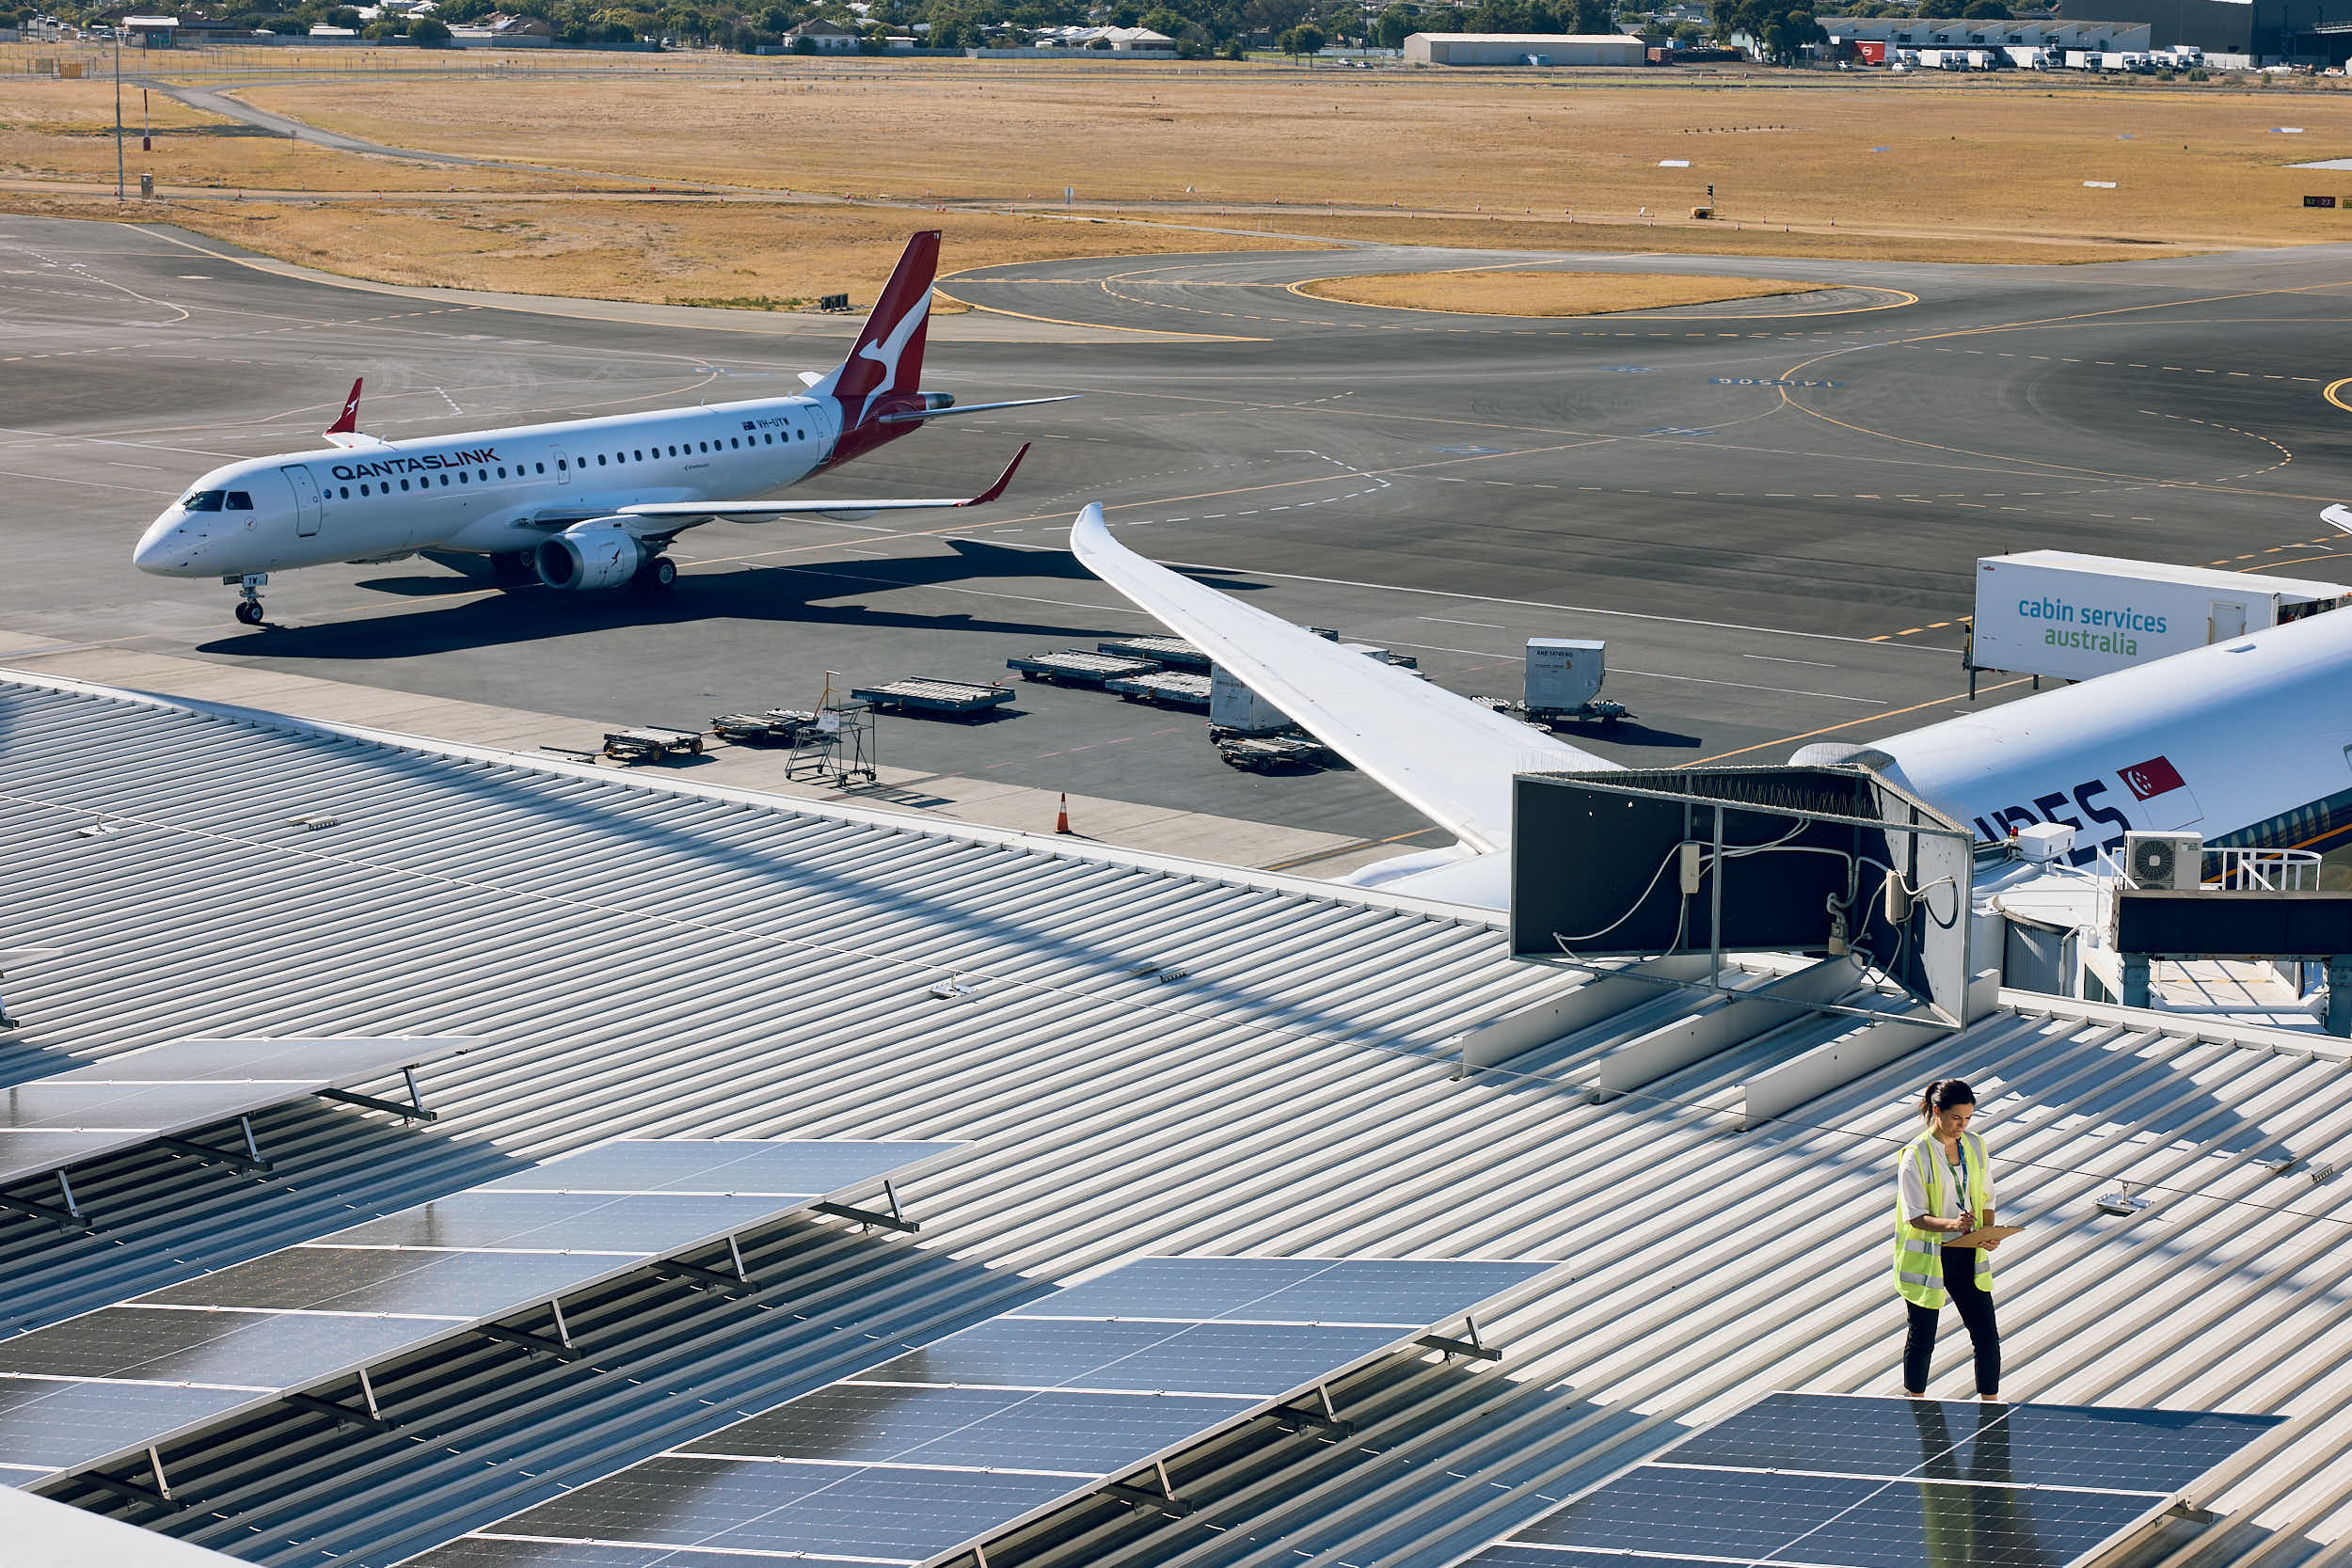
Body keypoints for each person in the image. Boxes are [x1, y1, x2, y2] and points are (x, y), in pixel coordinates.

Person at [1895, 1077, 2000, 1400]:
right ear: (1936, 1111)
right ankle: (1914, 1402)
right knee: (1923, 1337)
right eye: (1957, 1118)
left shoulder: (1976, 1145)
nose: (1962, 1125)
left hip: (1967, 1252)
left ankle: (1991, 1404)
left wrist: (1988, 1233)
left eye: (1968, 1118)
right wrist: (1954, 1224)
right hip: (1929, 1257)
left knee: (1986, 1336)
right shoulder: (1916, 1154)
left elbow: (1986, 1196)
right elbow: (1916, 1216)